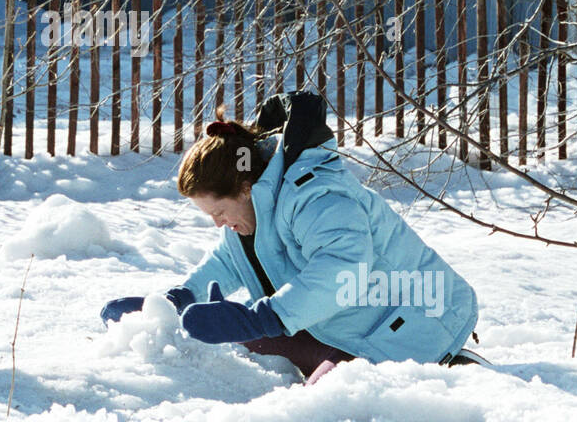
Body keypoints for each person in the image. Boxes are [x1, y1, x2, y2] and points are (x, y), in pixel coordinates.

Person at [101, 91, 482, 382]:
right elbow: (228, 260)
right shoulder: (257, 201)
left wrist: (265, 317)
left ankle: (455, 364)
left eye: (218, 212)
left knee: (332, 404)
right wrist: (179, 301)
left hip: (415, 324)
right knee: (235, 341)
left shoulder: (317, 194)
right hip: (345, 327)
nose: (218, 224)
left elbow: (343, 272)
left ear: (245, 188)